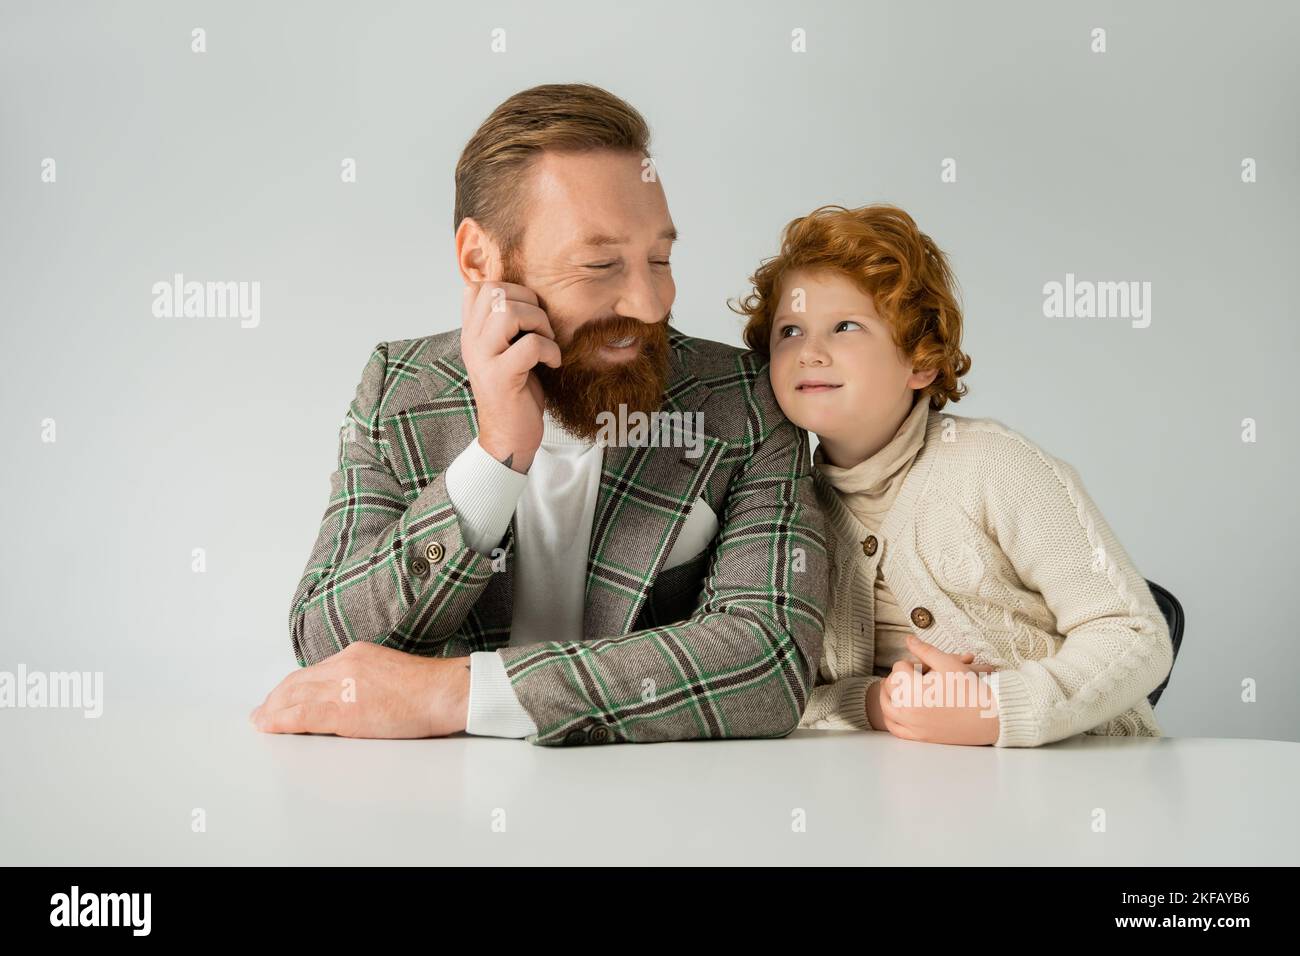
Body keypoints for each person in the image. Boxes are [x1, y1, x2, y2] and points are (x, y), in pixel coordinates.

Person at [251, 84, 830, 745]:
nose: (650, 301)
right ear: (480, 259)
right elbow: (327, 642)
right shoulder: (399, 391)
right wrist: (494, 460)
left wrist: (457, 694)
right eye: (601, 263)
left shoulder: (742, 401)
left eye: (661, 258)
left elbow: (768, 663)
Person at [733, 203, 1173, 746]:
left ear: (921, 361)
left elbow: (1134, 634)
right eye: (790, 331)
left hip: (1085, 770)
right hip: (907, 794)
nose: (810, 352)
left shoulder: (995, 466)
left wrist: (997, 710)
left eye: (845, 326)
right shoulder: (775, 504)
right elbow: (768, 688)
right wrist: (869, 703)